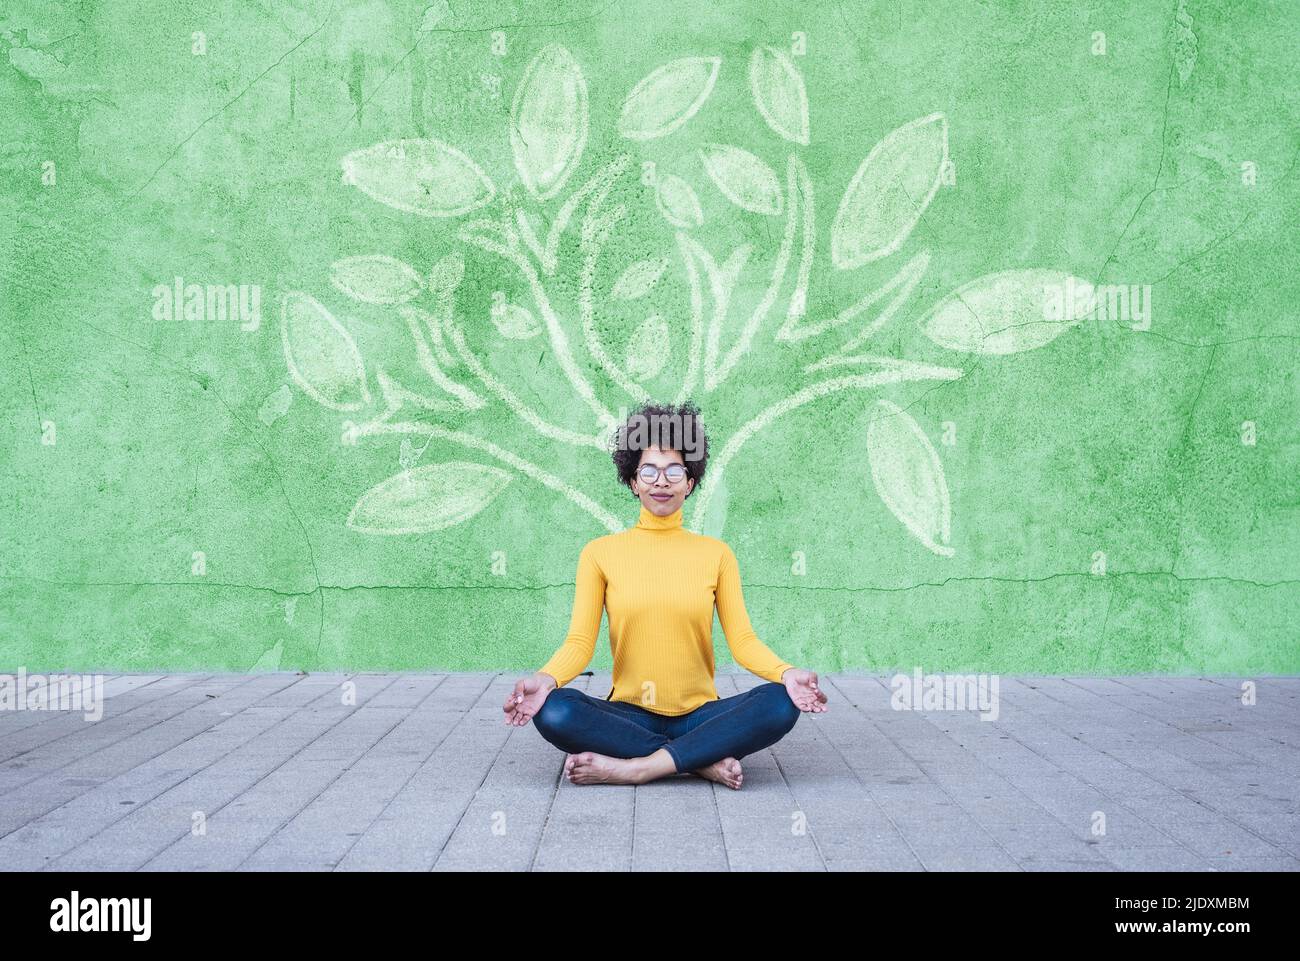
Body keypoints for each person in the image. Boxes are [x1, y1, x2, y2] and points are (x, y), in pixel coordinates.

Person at [503, 401, 828, 789]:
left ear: (689, 484)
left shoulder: (716, 554)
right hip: (628, 715)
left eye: (675, 471)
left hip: (700, 713)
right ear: (633, 481)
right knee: (555, 711)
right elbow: (579, 643)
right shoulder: (599, 553)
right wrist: (546, 678)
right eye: (649, 471)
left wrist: (787, 673)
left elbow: (743, 642)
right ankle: (699, 760)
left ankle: (638, 767)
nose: (662, 481)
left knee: (779, 702)